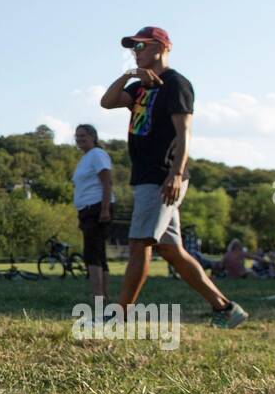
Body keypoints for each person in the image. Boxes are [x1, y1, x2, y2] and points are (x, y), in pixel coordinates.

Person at [100, 26, 247, 328]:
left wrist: (176, 173)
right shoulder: (141, 87)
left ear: (162, 47)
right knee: (171, 250)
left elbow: (184, 132)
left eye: (141, 47)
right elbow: (108, 101)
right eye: (133, 48)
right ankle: (226, 309)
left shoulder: (176, 84)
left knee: (140, 244)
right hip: (145, 176)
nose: (136, 52)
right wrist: (129, 75)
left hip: (163, 176)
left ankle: (119, 316)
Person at [71, 123, 114, 303]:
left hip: (97, 207)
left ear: (93, 137)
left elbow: (107, 182)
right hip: (86, 209)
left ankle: (98, 295)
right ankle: (103, 295)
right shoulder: (86, 158)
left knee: (92, 253)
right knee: (98, 252)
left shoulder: (97, 154)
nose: (80, 139)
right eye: (77, 136)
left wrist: (104, 209)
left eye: (83, 136)